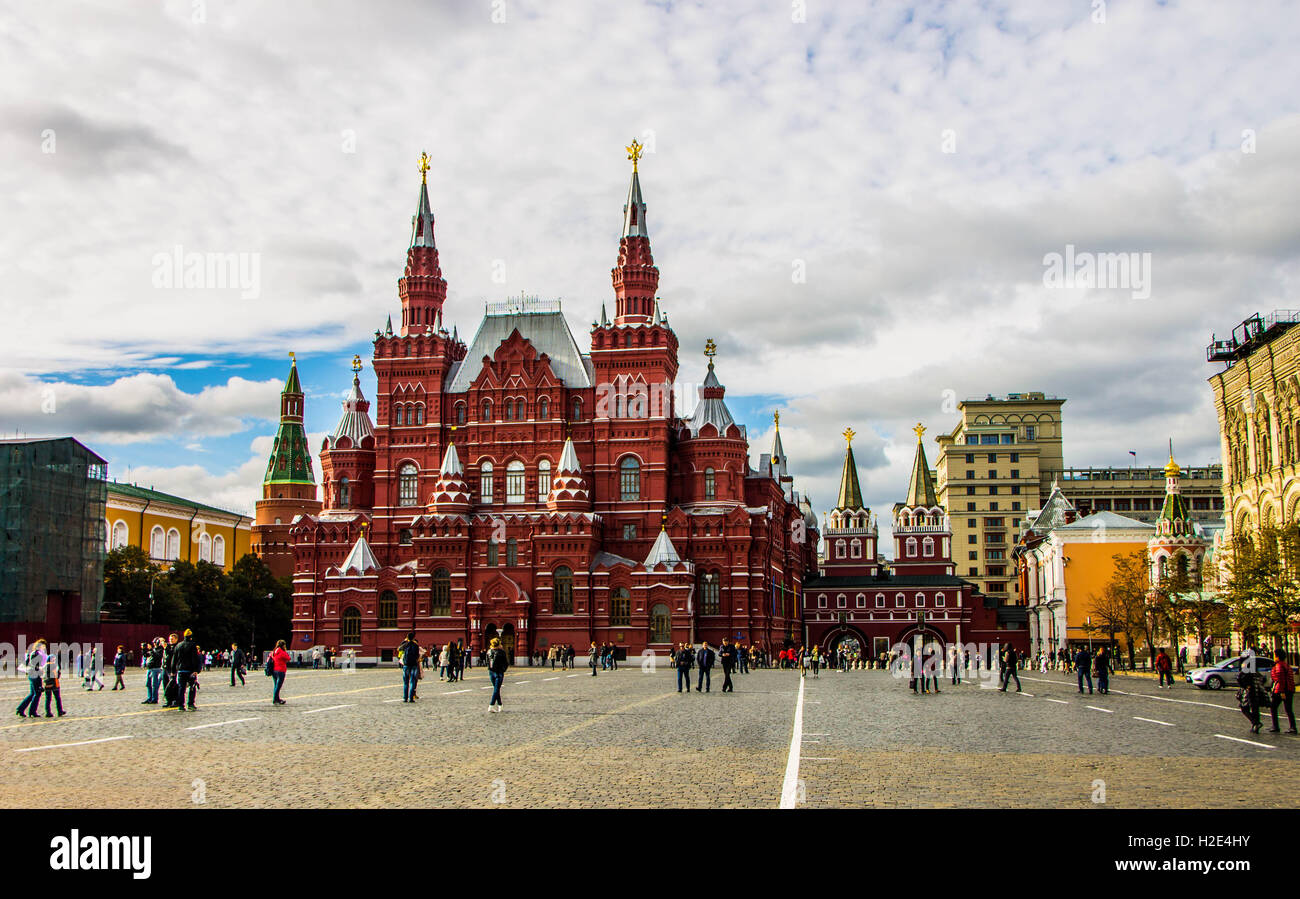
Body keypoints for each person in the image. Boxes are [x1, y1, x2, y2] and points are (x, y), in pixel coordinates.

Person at [16, 638, 47, 718]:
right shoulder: (37, 653)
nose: (44, 647)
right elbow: (34, 665)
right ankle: (32, 712)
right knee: (37, 694)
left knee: (32, 693)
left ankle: (20, 709)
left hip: (32, 674)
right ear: (40, 646)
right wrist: (40, 669)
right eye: (43, 646)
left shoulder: (35, 653)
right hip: (35, 675)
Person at [1269, 649, 1297, 734]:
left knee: (1273, 707)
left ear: (1277, 656)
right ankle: (1293, 727)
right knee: (1288, 709)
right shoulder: (1286, 665)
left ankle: (1276, 726)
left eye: (1274, 655)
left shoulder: (1279, 666)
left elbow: (1280, 679)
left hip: (1281, 690)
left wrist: (1282, 692)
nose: (1274, 657)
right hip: (1289, 689)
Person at [174, 629, 201, 711]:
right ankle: (190, 704)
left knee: (181, 688)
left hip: (181, 670)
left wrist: (173, 670)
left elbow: (174, 658)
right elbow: (194, 658)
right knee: (192, 687)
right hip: (190, 670)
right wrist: (196, 670)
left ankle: (181, 705)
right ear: (191, 637)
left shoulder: (178, 645)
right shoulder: (193, 645)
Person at [1237, 663, 1266, 734]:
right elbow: (1263, 679)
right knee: (1255, 710)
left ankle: (1255, 723)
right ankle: (1255, 726)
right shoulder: (1257, 673)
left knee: (1244, 708)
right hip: (1257, 693)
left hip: (1249, 693)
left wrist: (1245, 686)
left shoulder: (1246, 673)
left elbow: (1239, 679)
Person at [398, 632, 421, 703]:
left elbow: (399, 648)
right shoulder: (416, 645)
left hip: (406, 664)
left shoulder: (406, 644)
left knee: (405, 682)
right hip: (414, 664)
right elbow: (417, 655)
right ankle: (411, 698)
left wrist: (404, 641)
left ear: (407, 638)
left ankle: (405, 698)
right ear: (414, 637)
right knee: (412, 681)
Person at [486, 637, 508, 712]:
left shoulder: (488, 651)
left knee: (496, 689)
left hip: (491, 672)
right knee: (496, 689)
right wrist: (503, 670)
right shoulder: (501, 652)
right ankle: (491, 706)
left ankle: (500, 705)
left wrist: (490, 669)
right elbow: (506, 663)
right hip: (499, 673)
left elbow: (487, 662)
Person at [42, 648, 65, 717]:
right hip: (54, 684)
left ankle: (48, 712)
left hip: (46, 684)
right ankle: (60, 711)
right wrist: (59, 672)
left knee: (48, 699)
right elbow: (56, 675)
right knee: (57, 698)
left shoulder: (44, 666)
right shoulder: (53, 665)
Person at [142, 637, 164, 704]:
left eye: (155, 643)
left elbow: (157, 656)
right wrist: (144, 649)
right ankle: (149, 698)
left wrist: (151, 650)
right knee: (148, 684)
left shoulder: (160, 649)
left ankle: (154, 699)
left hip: (155, 668)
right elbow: (146, 655)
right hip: (150, 668)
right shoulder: (154, 649)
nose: (154, 644)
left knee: (154, 684)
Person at [269, 639, 290, 704]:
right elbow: (288, 658)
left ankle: (277, 699)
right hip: (281, 670)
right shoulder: (281, 652)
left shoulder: (274, 651)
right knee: (278, 686)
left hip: (274, 670)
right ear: (283, 645)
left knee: (276, 685)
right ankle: (275, 699)